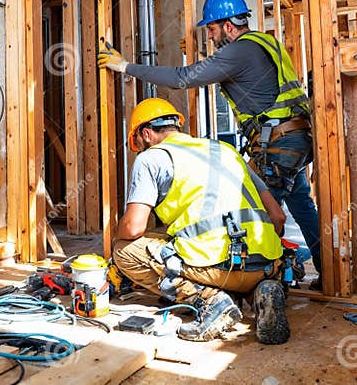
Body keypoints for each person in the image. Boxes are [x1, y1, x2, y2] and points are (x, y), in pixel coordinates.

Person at [98, 0, 321, 288]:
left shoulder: (238, 51)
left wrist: (125, 67)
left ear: (228, 25)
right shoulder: (263, 43)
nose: (211, 36)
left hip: (276, 143)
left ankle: (263, 279)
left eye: (212, 29)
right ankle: (326, 272)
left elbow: (182, 76)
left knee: (260, 213)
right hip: (294, 138)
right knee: (301, 206)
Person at [112, 98, 290, 344]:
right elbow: (278, 217)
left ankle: (210, 300)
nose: (140, 150)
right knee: (182, 240)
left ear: (146, 134)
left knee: (124, 250)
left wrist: (115, 235)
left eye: (139, 144)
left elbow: (134, 227)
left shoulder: (151, 158)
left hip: (215, 268)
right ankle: (261, 293)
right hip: (265, 266)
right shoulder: (225, 151)